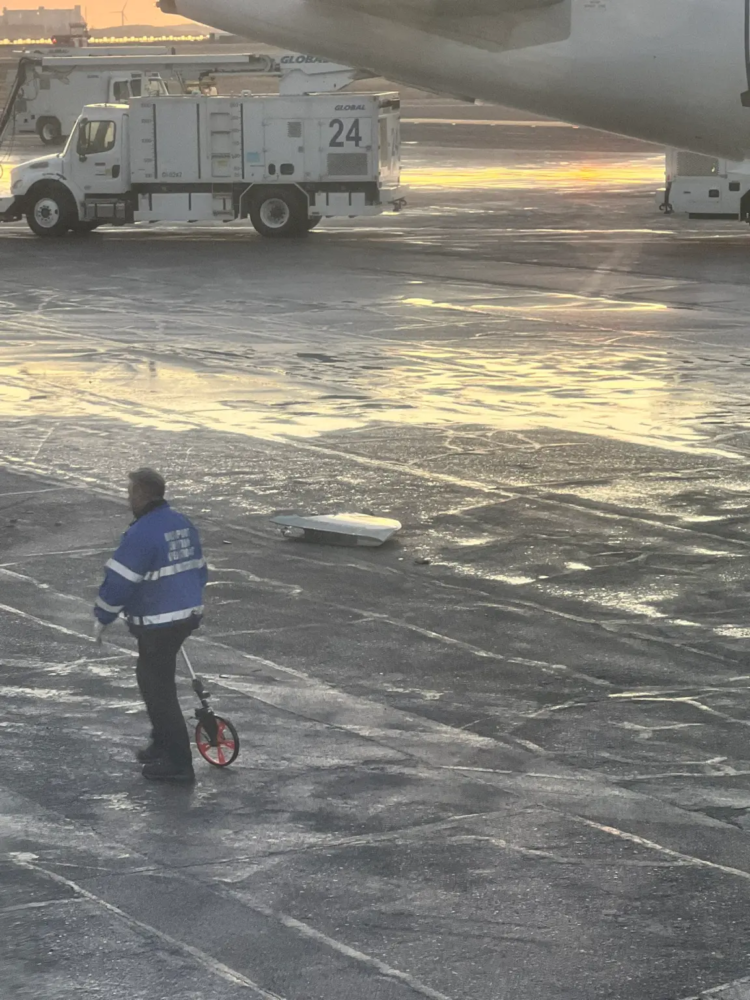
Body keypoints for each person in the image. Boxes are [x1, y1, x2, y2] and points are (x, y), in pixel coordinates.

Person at [93, 468, 208, 783]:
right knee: (156, 678)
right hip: (185, 614)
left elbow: (119, 581)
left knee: (157, 688)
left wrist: (102, 618)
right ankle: (161, 744)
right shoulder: (181, 523)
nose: (128, 498)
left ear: (142, 494)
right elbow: (199, 569)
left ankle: (179, 762)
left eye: (130, 492)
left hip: (159, 622)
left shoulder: (142, 533)